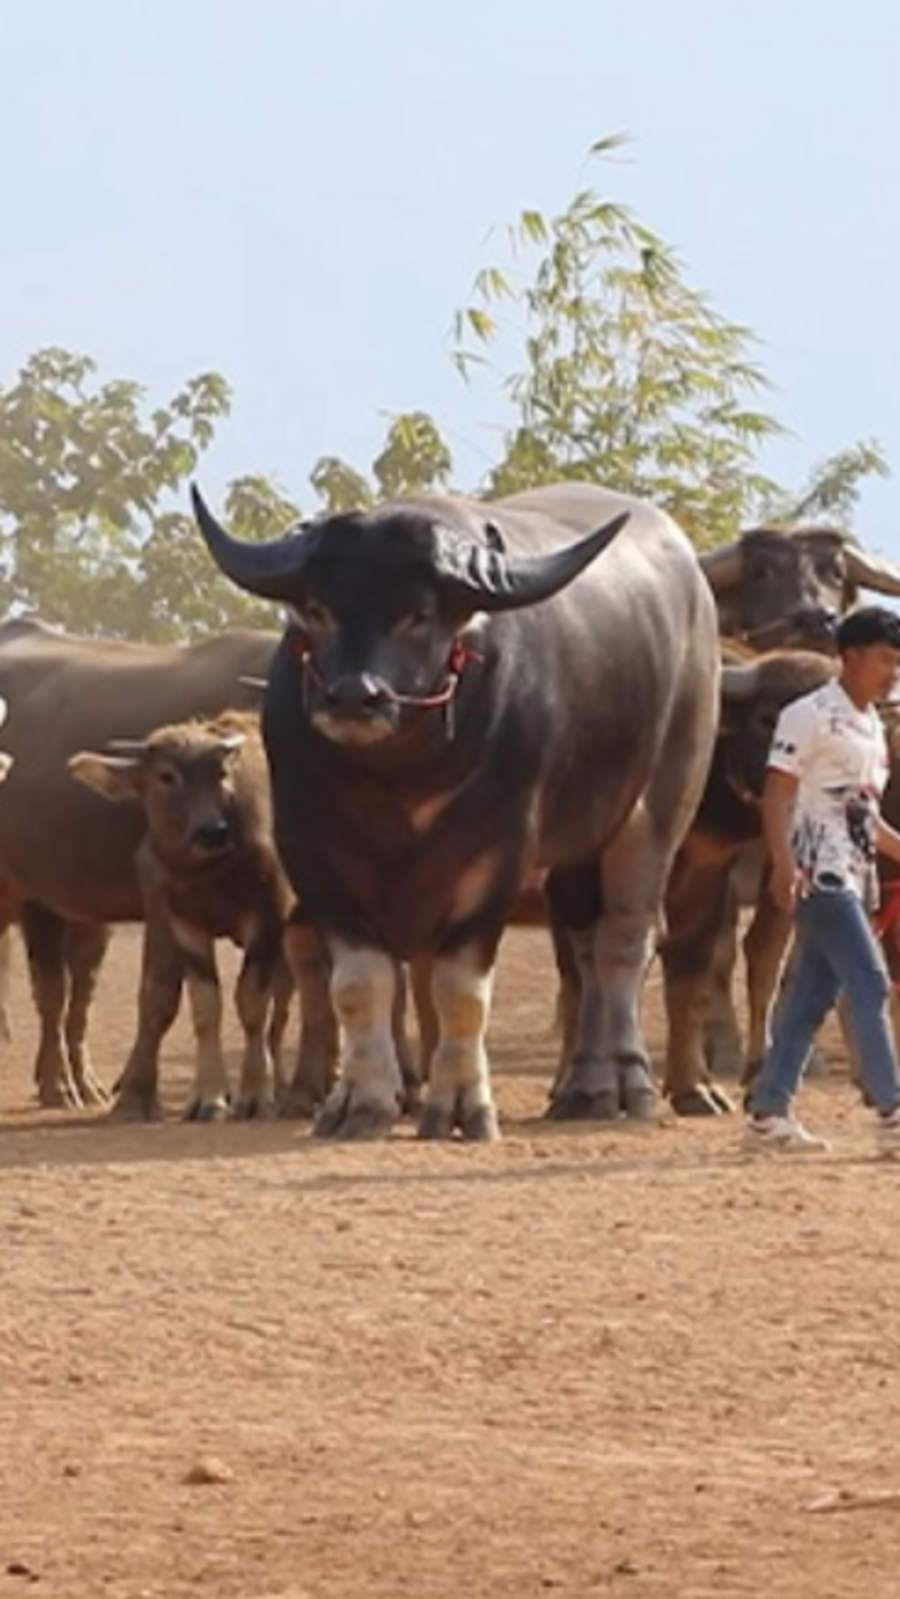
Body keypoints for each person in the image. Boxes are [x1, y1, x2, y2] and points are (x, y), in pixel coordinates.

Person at [743, 604, 900, 1154]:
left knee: (811, 996)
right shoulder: (807, 714)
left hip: (857, 876)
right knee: (870, 982)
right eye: (885, 659)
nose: (893, 672)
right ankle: (891, 1112)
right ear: (850, 656)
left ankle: (768, 1113)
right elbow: (778, 793)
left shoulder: (872, 727)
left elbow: (864, 815)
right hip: (819, 873)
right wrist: (784, 865)